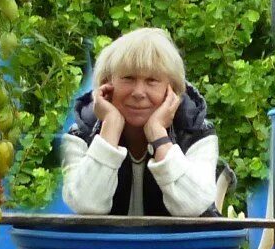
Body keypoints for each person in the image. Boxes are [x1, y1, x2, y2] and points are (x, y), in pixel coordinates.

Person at [61, 28, 219, 217]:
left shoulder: (196, 133)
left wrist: (158, 135)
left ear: (173, 90)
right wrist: (110, 126)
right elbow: (86, 204)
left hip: (179, 247)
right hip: (104, 247)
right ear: (106, 83)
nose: (138, 92)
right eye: (128, 78)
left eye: (152, 80)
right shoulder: (80, 135)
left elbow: (193, 206)